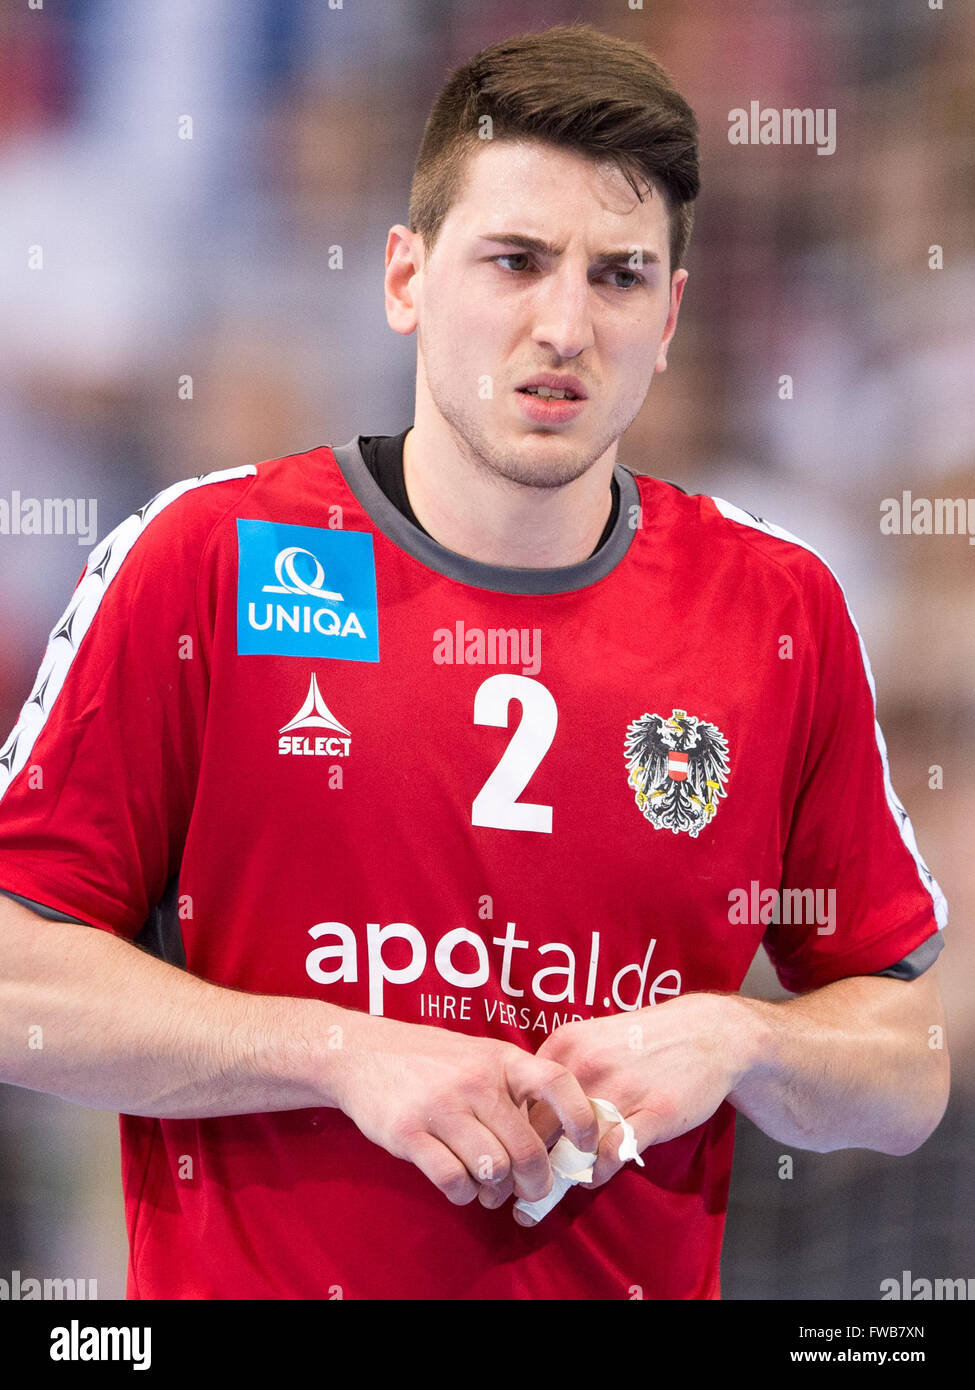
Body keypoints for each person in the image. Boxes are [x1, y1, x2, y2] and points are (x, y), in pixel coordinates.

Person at [0, 22, 949, 1300]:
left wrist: (744, 1040)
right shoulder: (214, 561)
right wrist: (341, 1053)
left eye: (618, 277)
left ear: (670, 315)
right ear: (404, 276)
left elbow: (904, 1062)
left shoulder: (776, 607)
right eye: (516, 260)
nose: (564, 324)